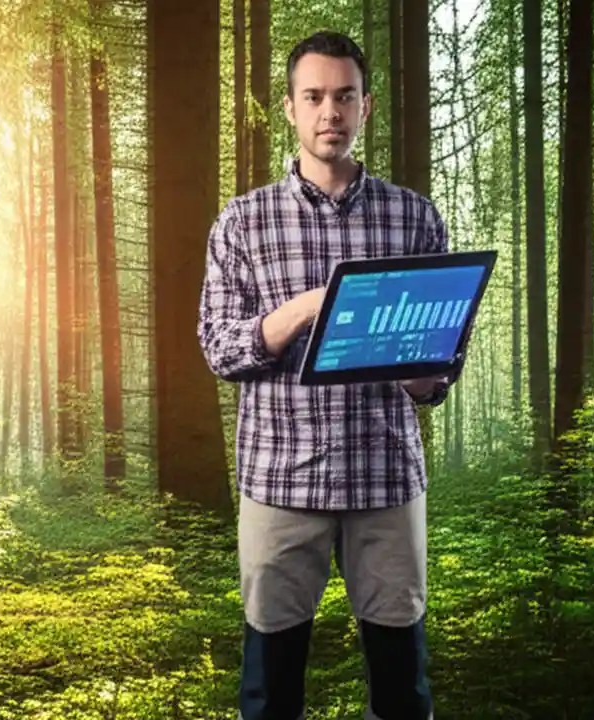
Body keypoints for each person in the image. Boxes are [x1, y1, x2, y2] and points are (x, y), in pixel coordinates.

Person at [197, 30, 461, 720]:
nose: (330, 112)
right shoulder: (241, 223)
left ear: (366, 106)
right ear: (290, 107)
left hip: (385, 479)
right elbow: (221, 350)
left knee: (403, 690)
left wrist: (423, 375)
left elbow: (440, 371)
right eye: (313, 96)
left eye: (344, 96)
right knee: (270, 690)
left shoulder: (414, 218)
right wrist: (307, 310)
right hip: (280, 481)